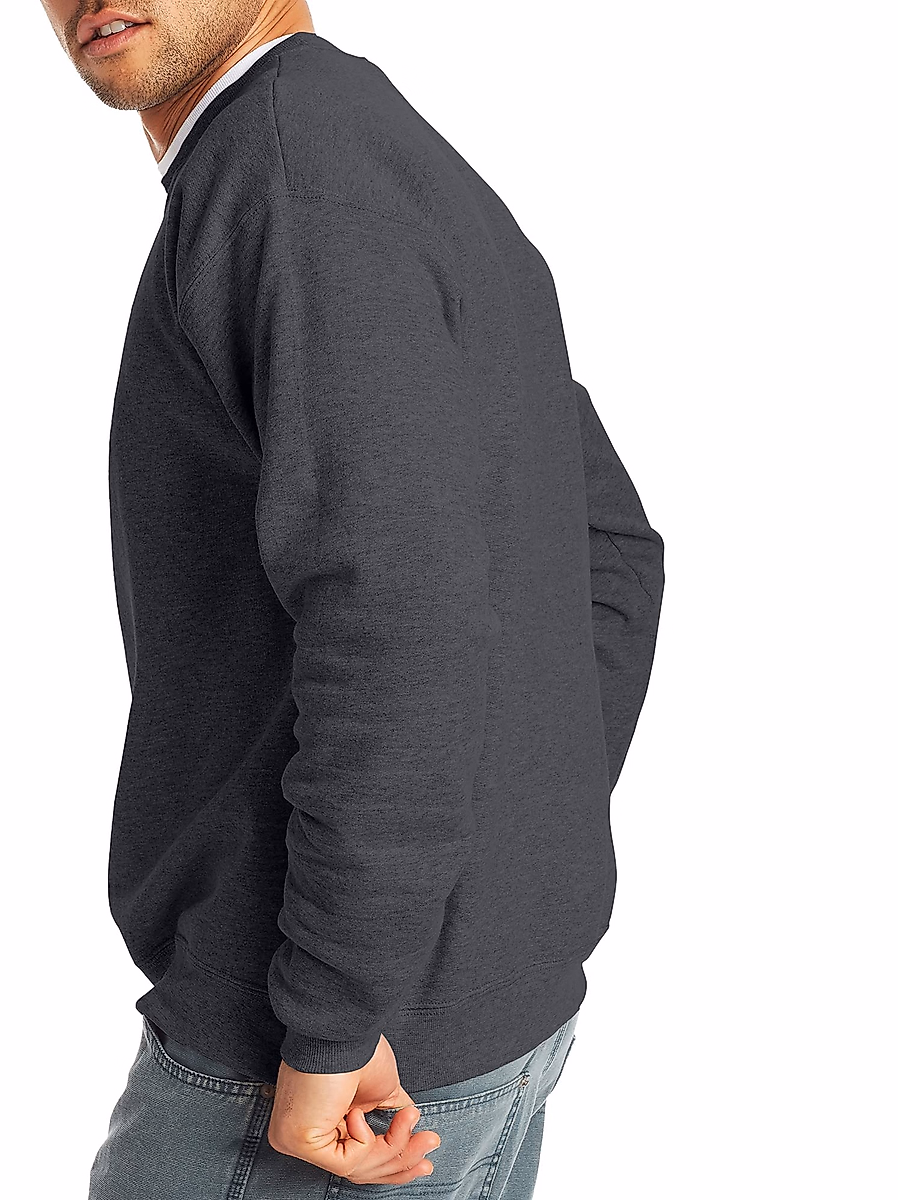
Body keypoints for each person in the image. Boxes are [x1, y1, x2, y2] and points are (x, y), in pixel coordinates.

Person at [37, 2, 665, 1196]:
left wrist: (333, 1012)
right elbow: (613, 555)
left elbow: (402, 626)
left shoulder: (287, 182)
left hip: (329, 1066)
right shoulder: (372, 152)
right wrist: (496, 887)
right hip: (477, 1023)